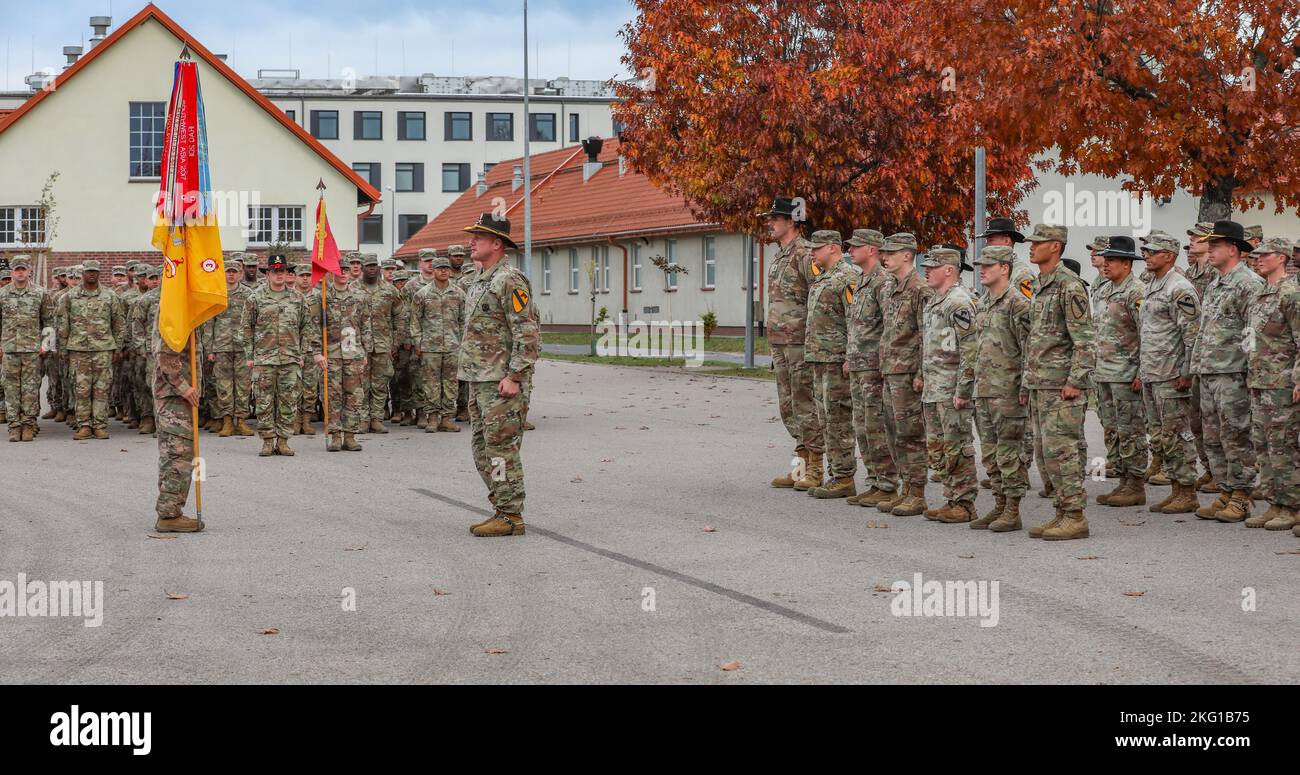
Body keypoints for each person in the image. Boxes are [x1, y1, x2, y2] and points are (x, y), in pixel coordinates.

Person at [458, 214, 540, 537]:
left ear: (497, 243)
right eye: (473, 235)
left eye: (479, 236)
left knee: (501, 449)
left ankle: (511, 515)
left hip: (501, 382)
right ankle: (501, 506)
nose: (471, 241)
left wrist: (516, 376)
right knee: (482, 450)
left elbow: (527, 333)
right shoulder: (480, 280)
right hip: (480, 380)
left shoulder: (509, 280)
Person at [1022, 224, 1095, 540]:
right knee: (1047, 452)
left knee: (1063, 451)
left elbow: (1085, 340)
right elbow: (1037, 339)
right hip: (1042, 383)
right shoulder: (1041, 284)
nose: (1031, 247)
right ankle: (1062, 512)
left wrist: (1076, 380)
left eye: (1037, 243)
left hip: (1061, 385)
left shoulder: (1070, 286)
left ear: (1055, 246)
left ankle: (1075, 516)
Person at [1191, 221, 1264, 522]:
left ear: (1233, 249)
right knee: (1213, 437)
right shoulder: (1214, 284)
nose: (1209, 250)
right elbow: (1204, 330)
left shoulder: (1248, 284)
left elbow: (1255, 333)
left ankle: (1243, 495)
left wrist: (1251, 374)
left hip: (1234, 372)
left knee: (1236, 435)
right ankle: (1226, 490)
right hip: (1209, 371)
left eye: (1216, 245)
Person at [1137, 232, 1203, 514]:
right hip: (1153, 372)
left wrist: (1186, 372)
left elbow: (1192, 334)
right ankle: (1176, 488)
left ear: (1169, 256)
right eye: (1146, 251)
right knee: (1162, 435)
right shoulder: (1153, 284)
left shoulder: (1180, 288)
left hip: (1171, 375)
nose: (1147, 255)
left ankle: (1187, 490)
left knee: (1177, 434)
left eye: (1153, 251)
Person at [967, 245, 1032, 531]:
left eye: (988, 265)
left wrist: (1025, 386)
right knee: (991, 454)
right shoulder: (983, 303)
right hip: (984, 389)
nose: (982, 269)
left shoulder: (1017, 303)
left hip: (1008, 390)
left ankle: (1013, 510)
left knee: (1009, 453)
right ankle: (999, 504)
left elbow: (1030, 348)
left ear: (1004, 268)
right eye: (981, 265)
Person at [761, 197, 823, 490]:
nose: (770, 223)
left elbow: (818, 298)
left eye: (775, 218)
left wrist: (815, 340)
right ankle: (800, 466)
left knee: (805, 403)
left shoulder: (806, 254)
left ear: (792, 222)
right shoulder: (780, 255)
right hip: (781, 341)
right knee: (788, 406)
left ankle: (817, 468)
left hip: (800, 341)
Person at [1243, 237, 1300, 530]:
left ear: (1282, 258)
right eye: (1256, 255)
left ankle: (1292, 506)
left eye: (1265, 255)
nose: (1258, 258)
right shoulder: (1261, 292)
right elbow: (1251, 337)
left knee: (1283, 447)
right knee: (1263, 446)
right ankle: (1274, 503)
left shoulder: (1290, 293)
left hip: (1281, 381)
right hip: (1259, 380)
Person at [919, 246, 978, 522]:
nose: (926, 270)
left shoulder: (959, 302)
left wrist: (963, 390)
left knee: (957, 446)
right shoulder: (934, 300)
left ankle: (965, 504)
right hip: (934, 388)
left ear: (949, 270)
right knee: (940, 447)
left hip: (952, 390)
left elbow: (971, 350)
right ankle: (951, 497)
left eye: (932, 266)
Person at [242, 254, 322, 457]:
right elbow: (246, 329)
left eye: (283, 271)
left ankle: (284, 440)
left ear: (287, 274)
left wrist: (302, 353)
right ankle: (268, 441)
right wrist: (250, 355)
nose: (279, 275)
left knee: (288, 401)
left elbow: (307, 328)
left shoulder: (297, 298)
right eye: (275, 271)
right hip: (264, 359)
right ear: (268, 274)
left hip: (290, 359)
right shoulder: (255, 298)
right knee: (264, 402)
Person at [877, 232, 932, 516]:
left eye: (890, 253)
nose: (884, 257)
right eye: (883, 253)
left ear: (908, 255)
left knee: (911, 433)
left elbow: (926, 335)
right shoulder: (891, 288)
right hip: (891, 371)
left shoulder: (920, 289)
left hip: (909, 373)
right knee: (894, 433)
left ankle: (918, 492)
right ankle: (907, 488)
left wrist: (922, 372)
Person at [843, 229, 899, 506]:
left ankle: (888, 483)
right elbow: (856, 326)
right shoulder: (862, 280)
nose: (850, 250)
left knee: (877, 425)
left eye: (856, 246)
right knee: (863, 425)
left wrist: (884, 363)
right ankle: (875, 480)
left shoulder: (882, 282)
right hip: (858, 365)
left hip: (874, 367)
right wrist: (848, 357)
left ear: (872, 250)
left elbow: (890, 326)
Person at [1092, 236, 1148, 507]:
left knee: (1130, 430)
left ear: (1126, 263)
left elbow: (1144, 333)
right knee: (1112, 429)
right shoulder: (1104, 290)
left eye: (1112, 259)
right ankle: (1123, 480)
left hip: (1126, 373)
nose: (1106, 263)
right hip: (1104, 372)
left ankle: (1136, 484)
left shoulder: (1136, 291)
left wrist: (1141, 372)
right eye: (1106, 258)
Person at [802, 230, 858, 499]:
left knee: (838, 419)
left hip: (837, 361)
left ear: (833, 248)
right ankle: (836, 473)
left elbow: (853, 320)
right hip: (820, 359)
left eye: (817, 248)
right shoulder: (822, 278)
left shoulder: (846, 278)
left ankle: (845, 476)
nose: (812, 252)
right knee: (826, 419)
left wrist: (850, 356)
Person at [57, 260, 126, 440]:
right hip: (78, 350)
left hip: (103, 349)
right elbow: (63, 324)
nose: (92, 274)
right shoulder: (70, 297)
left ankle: (100, 425)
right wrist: (63, 349)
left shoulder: (110, 296)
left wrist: (118, 347)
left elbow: (118, 323)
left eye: (95, 271)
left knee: (102, 389)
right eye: (88, 271)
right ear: (83, 274)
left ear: (99, 273)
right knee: (82, 390)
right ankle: (84, 425)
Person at [152, 311, 205, 534]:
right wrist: (184, 387)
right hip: (174, 397)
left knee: (183, 454)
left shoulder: (182, 309)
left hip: (179, 396)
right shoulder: (175, 310)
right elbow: (165, 355)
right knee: (176, 455)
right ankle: (169, 514)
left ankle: (172, 509)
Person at [0, 255, 53, 441]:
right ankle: (14, 426)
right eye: (17, 269)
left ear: (29, 271)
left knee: (30, 389)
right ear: (12, 271)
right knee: (11, 388)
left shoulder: (40, 293)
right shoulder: (3, 294)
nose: (20, 272)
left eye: (24, 269)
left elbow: (48, 320)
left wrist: (46, 345)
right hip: (9, 348)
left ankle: (28, 424)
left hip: (32, 350)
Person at [411, 255, 465, 433]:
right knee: (430, 383)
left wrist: (463, 343)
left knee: (451, 383)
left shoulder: (458, 294)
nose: (443, 271)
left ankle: (447, 418)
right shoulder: (422, 294)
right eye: (440, 268)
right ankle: (432, 418)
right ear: (433, 270)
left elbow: (464, 320)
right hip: (430, 346)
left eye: (446, 268)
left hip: (452, 346)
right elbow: (415, 321)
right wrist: (417, 342)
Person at [202, 257, 254, 438]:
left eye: (234, 272)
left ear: (240, 274)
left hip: (242, 347)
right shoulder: (216, 293)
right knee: (223, 385)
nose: (231, 275)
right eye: (228, 272)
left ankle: (240, 420)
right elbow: (208, 322)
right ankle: (226, 420)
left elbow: (253, 322)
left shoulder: (248, 295)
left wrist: (252, 348)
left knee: (243, 385)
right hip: (221, 346)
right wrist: (209, 349)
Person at [321, 267, 371, 452]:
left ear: (350, 273)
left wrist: (365, 350)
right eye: (338, 269)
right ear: (332, 272)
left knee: (354, 396)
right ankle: (335, 434)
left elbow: (365, 325)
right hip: (332, 352)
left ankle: (350, 435)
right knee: (332, 395)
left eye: (346, 269)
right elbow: (315, 326)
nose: (342, 273)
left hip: (353, 352)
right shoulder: (324, 296)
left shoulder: (359, 296)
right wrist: (317, 352)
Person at [358, 254, 407, 433]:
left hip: (383, 344)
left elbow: (400, 316)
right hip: (360, 346)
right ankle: (363, 419)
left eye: (374, 266)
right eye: (368, 266)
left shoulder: (389, 290)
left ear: (378, 268)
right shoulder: (353, 289)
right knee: (361, 384)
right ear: (362, 268)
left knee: (380, 383)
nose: (371, 268)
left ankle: (377, 418)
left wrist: (396, 341)